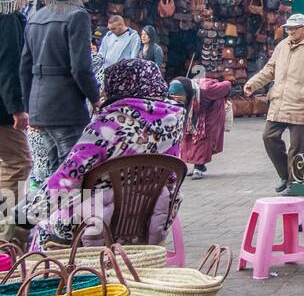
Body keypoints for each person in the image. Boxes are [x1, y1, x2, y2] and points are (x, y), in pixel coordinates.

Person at [26, 59, 185, 250]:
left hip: (95, 226)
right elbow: (172, 177)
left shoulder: (107, 125)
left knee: (40, 227)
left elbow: (66, 177)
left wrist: (23, 217)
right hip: (149, 224)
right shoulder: (175, 120)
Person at [244, 13, 304, 193]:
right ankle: (285, 174)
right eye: (288, 28)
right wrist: (253, 83)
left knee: (297, 149)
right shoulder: (282, 46)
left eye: (293, 28)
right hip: (279, 102)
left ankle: (294, 183)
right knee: (269, 137)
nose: (289, 31)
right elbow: (269, 69)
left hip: (302, 104)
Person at [20, 3, 100, 172]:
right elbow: (81, 68)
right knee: (71, 170)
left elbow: (24, 68)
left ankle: (52, 198)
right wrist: (96, 98)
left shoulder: (36, 16)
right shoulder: (77, 15)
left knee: (54, 168)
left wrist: (29, 108)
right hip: (65, 106)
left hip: (39, 104)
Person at [0, 12, 30, 243]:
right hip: (4, 110)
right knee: (17, 164)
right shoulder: (6, 15)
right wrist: (16, 107)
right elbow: (9, 63)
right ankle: (5, 233)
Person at [168, 76, 232, 180]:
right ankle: (199, 166)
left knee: (202, 138)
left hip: (211, 113)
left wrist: (225, 97)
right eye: (173, 97)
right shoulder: (187, 92)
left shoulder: (207, 89)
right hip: (194, 113)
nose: (176, 99)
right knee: (188, 136)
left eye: (179, 96)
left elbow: (227, 85)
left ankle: (198, 167)